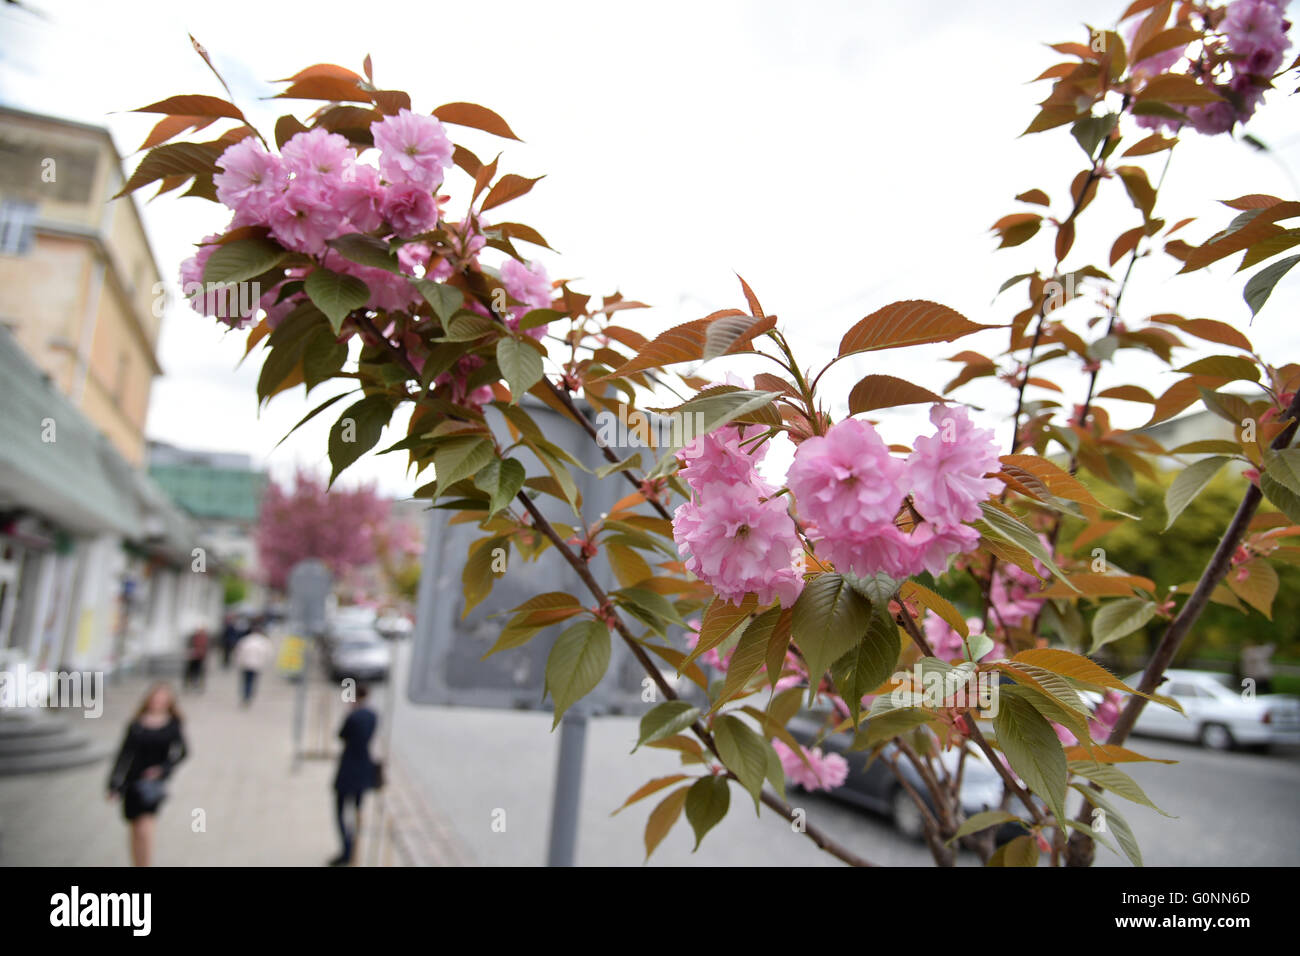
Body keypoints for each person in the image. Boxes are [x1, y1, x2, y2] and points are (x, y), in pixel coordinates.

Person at [106, 683, 188, 867]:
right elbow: (123, 755)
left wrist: (163, 769)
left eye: (162, 700)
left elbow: (183, 752)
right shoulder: (136, 725)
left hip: (152, 784)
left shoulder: (172, 725)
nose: (157, 702)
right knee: (135, 829)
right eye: (155, 698)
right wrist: (113, 784)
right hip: (132, 782)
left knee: (145, 828)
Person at [330, 685, 379, 866]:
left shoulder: (353, 716)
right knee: (358, 811)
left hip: (348, 768)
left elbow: (342, 735)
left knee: (341, 812)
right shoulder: (373, 715)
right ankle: (354, 849)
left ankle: (347, 849)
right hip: (364, 768)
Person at [233, 621, 273, 706]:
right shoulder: (263, 642)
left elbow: (239, 652)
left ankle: (245, 695)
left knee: (245, 681)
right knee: (252, 681)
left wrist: (239, 662)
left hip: (246, 664)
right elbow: (268, 653)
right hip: (256, 665)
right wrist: (265, 663)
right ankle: (249, 695)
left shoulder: (246, 640)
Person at [182, 627, 209, 692]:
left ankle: (197, 685)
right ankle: (189, 685)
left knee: (199, 672)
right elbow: (189, 648)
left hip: (200, 658)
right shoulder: (193, 638)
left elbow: (206, 648)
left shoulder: (204, 638)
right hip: (192, 658)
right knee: (191, 672)